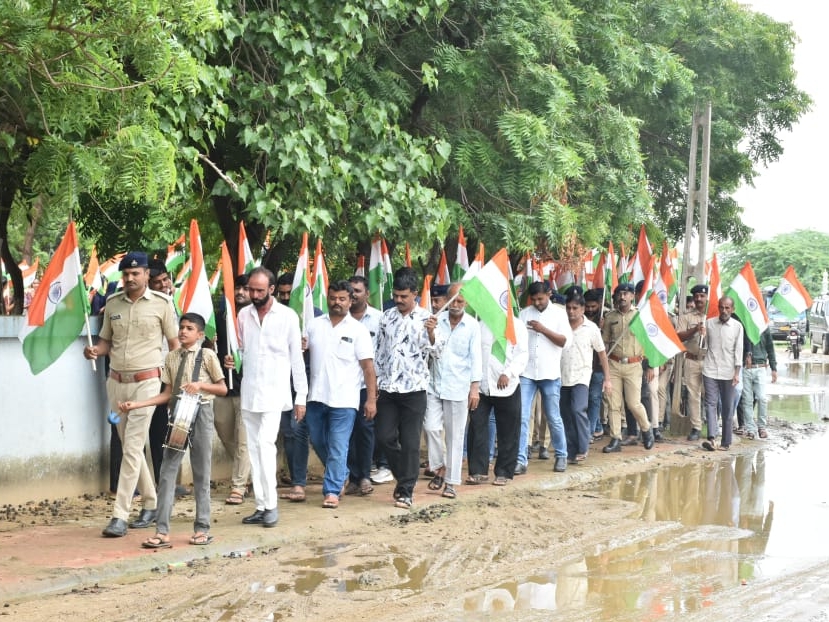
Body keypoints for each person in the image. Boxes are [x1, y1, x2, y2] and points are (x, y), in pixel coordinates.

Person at [83, 251, 179, 537]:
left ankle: (120, 515)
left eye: (136, 273)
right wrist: (93, 350)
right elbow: (104, 343)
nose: (130, 278)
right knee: (130, 448)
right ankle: (151, 503)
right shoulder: (113, 304)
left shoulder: (162, 304)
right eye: (126, 274)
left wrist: (172, 385)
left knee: (134, 446)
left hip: (147, 383)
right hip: (116, 383)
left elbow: (174, 346)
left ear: (147, 274)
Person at [118, 313, 227, 548]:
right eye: (182, 327)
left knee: (201, 471)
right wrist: (137, 404)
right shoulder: (171, 357)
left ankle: (202, 528)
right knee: (167, 472)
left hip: (202, 412)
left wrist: (200, 386)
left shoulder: (207, 355)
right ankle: (162, 531)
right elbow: (167, 394)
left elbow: (222, 388)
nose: (183, 331)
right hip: (178, 415)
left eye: (190, 328)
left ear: (200, 334)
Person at [229, 267, 307, 528]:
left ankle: (271, 506)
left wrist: (301, 397)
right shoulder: (243, 315)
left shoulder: (287, 317)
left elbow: (297, 359)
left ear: (271, 290)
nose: (254, 294)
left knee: (265, 445)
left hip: (275, 393)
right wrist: (233, 360)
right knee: (253, 450)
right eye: (251, 289)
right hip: (250, 391)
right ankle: (261, 506)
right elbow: (242, 351)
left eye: (259, 290)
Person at [305, 280, 377, 508]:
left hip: (345, 399)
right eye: (333, 298)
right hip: (316, 396)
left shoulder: (358, 330)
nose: (337, 302)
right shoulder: (313, 325)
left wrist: (372, 399)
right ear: (328, 298)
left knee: (338, 445)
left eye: (342, 299)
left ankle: (332, 490)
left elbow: (368, 367)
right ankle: (343, 471)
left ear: (350, 300)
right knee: (317, 440)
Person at [374, 267, 438, 510]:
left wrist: (431, 333)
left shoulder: (427, 319)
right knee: (384, 437)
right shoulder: (386, 317)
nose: (399, 300)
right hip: (388, 389)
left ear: (414, 294)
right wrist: (376, 385)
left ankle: (406, 490)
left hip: (414, 390)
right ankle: (405, 474)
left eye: (404, 296)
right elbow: (378, 352)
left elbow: (437, 351)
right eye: (396, 295)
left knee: (411, 443)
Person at [423, 282, 481, 499]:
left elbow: (476, 358)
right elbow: (431, 347)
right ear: (446, 299)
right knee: (430, 427)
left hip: (459, 387)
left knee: (455, 437)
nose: (455, 304)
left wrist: (474, 389)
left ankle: (450, 483)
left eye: (460, 300)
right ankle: (439, 466)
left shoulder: (472, 326)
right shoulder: (437, 321)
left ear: (466, 302)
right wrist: (430, 332)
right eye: (452, 300)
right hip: (435, 384)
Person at [516, 281, 573, 474]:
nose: (537, 303)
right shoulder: (524, 314)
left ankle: (561, 455)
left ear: (549, 294)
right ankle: (520, 460)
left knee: (553, 416)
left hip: (550, 373)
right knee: (523, 416)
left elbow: (564, 341)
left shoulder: (559, 314)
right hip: (527, 373)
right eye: (534, 299)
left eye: (540, 298)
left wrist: (543, 330)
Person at [466, 313, 528, 486]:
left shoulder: (516, 325)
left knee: (508, 430)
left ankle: (504, 472)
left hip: (506, 386)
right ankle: (478, 471)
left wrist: (508, 373)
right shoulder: (481, 324)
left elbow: (522, 354)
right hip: (482, 386)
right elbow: (474, 353)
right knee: (477, 426)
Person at [601, 282, 654, 453]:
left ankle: (646, 429)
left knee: (633, 404)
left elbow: (649, 342)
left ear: (632, 296)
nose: (622, 297)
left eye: (626, 293)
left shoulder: (640, 316)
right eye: (620, 294)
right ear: (616, 297)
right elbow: (604, 343)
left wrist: (651, 365)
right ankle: (615, 438)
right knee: (613, 404)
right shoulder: (610, 317)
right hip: (614, 364)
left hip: (634, 365)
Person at [213, 273, 252, 505]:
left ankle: (238, 486)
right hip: (223, 387)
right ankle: (249, 474)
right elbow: (209, 349)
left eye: (246, 288)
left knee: (244, 440)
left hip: (248, 389)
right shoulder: (220, 317)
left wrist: (240, 361)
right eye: (237, 288)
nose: (241, 292)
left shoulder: (259, 319)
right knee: (226, 435)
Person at [560, 289, 611, 464]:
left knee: (578, 409)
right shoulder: (561, 325)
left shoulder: (592, 328)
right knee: (565, 414)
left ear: (582, 309)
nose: (571, 312)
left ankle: (583, 446)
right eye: (569, 308)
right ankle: (571, 450)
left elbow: (602, 354)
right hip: (561, 376)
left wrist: (608, 379)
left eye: (575, 308)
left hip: (582, 376)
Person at [344, 275, 383, 496]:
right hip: (343, 386)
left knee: (366, 429)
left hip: (367, 385)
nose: (354, 294)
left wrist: (376, 386)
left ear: (367, 293)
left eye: (358, 290)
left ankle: (365, 475)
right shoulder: (338, 318)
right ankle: (352, 476)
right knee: (345, 433)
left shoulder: (379, 319)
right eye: (351, 291)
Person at [146, 258, 176, 487]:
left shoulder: (171, 302)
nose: (164, 284)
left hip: (167, 376)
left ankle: (165, 481)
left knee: (165, 432)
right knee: (144, 435)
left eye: (166, 279)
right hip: (146, 375)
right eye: (158, 282)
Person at [701, 296, 743, 451]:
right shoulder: (709, 323)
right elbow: (704, 346)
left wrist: (737, 373)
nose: (724, 311)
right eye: (721, 307)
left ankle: (726, 442)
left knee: (727, 406)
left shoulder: (738, 327)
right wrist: (702, 335)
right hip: (710, 369)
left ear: (732, 309)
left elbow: (739, 350)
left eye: (727, 308)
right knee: (710, 404)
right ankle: (712, 438)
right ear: (718, 308)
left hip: (729, 371)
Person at [675, 284, 709, 441]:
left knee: (710, 395)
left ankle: (712, 427)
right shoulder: (686, 317)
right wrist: (695, 329)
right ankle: (696, 427)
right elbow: (679, 337)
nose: (699, 299)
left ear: (707, 297)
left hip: (710, 361)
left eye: (702, 296)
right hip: (691, 360)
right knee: (693, 395)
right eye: (696, 296)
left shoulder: (713, 316)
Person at [740, 326, 778, 440]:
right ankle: (750, 428)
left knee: (762, 398)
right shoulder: (743, 326)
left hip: (760, 367)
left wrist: (774, 368)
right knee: (747, 400)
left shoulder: (764, 329)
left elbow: (770, 348)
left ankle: (761, 427)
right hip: (746, 368)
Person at [584, 288, 608, 441]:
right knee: (584, 400)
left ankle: (590, 432)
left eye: (593, 306)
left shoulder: (606, 318)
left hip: (598, 366)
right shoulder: (580, 318)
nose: (590, 310)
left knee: (594, 398)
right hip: (583, 365)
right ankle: (597, 427)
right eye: (588, 306)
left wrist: (602, 330)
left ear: (599, 304)